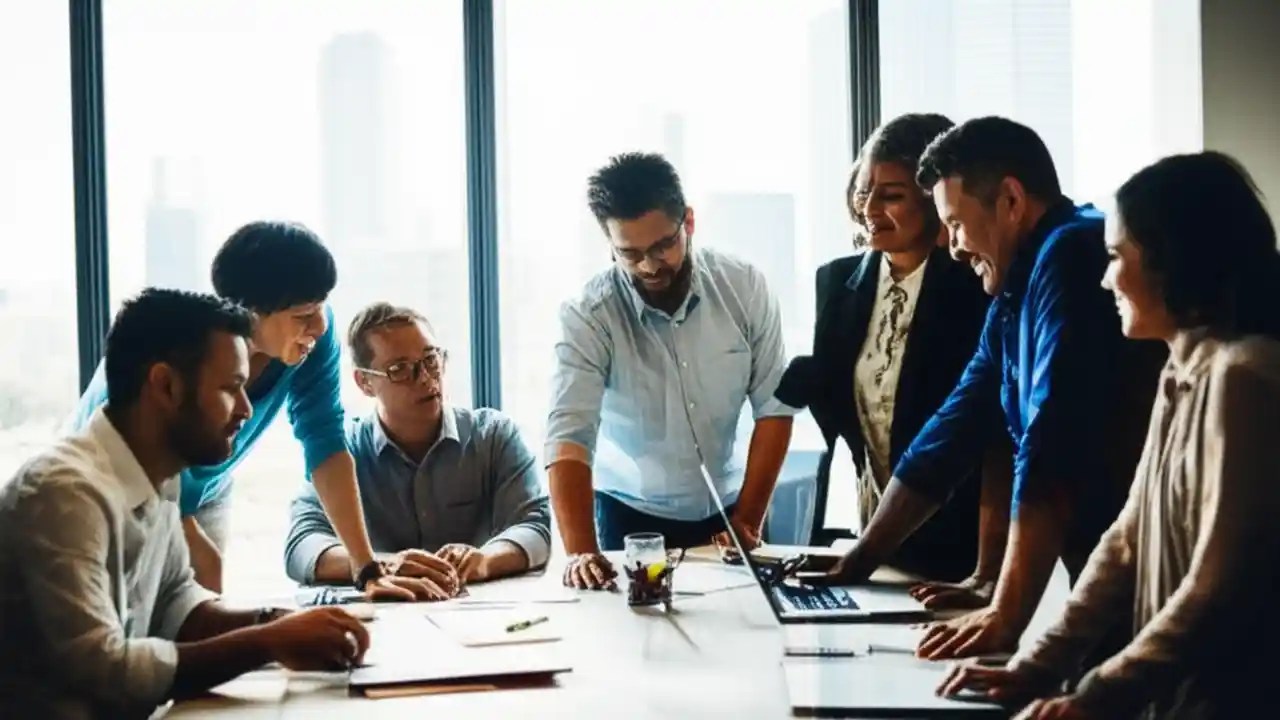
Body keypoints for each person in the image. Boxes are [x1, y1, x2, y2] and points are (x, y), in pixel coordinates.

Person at [939, 152, 1280, 720]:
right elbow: (1126, 542)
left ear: (1172, 258)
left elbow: (1219, 589)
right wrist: (1037, 666)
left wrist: (1092, 695)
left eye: (1116, 256)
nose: (1104, 278)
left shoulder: (1243, 376)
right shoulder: (1180, 371)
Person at [818, 117, 1165, 660]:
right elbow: (955, 426)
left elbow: (1050, 441)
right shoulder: (1013, 283)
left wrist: (1005, 613)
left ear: (1010, 200)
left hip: (1154, 571)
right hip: (1108, 573)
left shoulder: (1070, 253)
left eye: (954, 222)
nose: (951, 246)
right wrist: (862, 555)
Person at [0, 289, 373, 719]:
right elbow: (101, 669)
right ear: (166, 385)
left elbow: (179, 605)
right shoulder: (63, 493)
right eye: (231, 388)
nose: (247, 410)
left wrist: (279, 620)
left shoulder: (161, 476)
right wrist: (269, 640)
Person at [66, 221, 432, 600]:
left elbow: (325, 439)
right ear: (248, 313)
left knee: (198, 607)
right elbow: (135, 450)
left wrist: (366, 568)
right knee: (140, 603)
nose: (320, 326)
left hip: (207, 486)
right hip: (120, 481)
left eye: (322, 306)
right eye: (304, 314)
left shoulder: (308, 341)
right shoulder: (183, 350)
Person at [776, 113, 1011, 604]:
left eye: (892, 195)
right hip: (874, 542)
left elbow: (993, 442)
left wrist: (988, 574)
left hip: (963, 555)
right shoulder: (836, 283)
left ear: (934, 199)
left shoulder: (981, 288)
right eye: (864, 192)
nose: (869, 208)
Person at [546, 152, 797, 589]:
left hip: (734, 507)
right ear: (609, 245)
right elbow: (569, 437)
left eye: (663, 246)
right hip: (630, 514)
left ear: (689, 223)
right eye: (629, 253)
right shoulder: (588, 315)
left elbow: (774, 408)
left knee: (744, 634)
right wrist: (582, 552)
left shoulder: (745, 287)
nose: (649, 266)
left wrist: (749, 518)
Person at [285, 302, 552, 593]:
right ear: (365, 383)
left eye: (431, 360)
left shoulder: (493, 436)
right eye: (400, 369)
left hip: (478, 612)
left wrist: (486, 560)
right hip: (387, 612)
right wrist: (380, 566)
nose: (425, 378)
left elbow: (535, 527)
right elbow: (302, 545)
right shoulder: (342, 452)